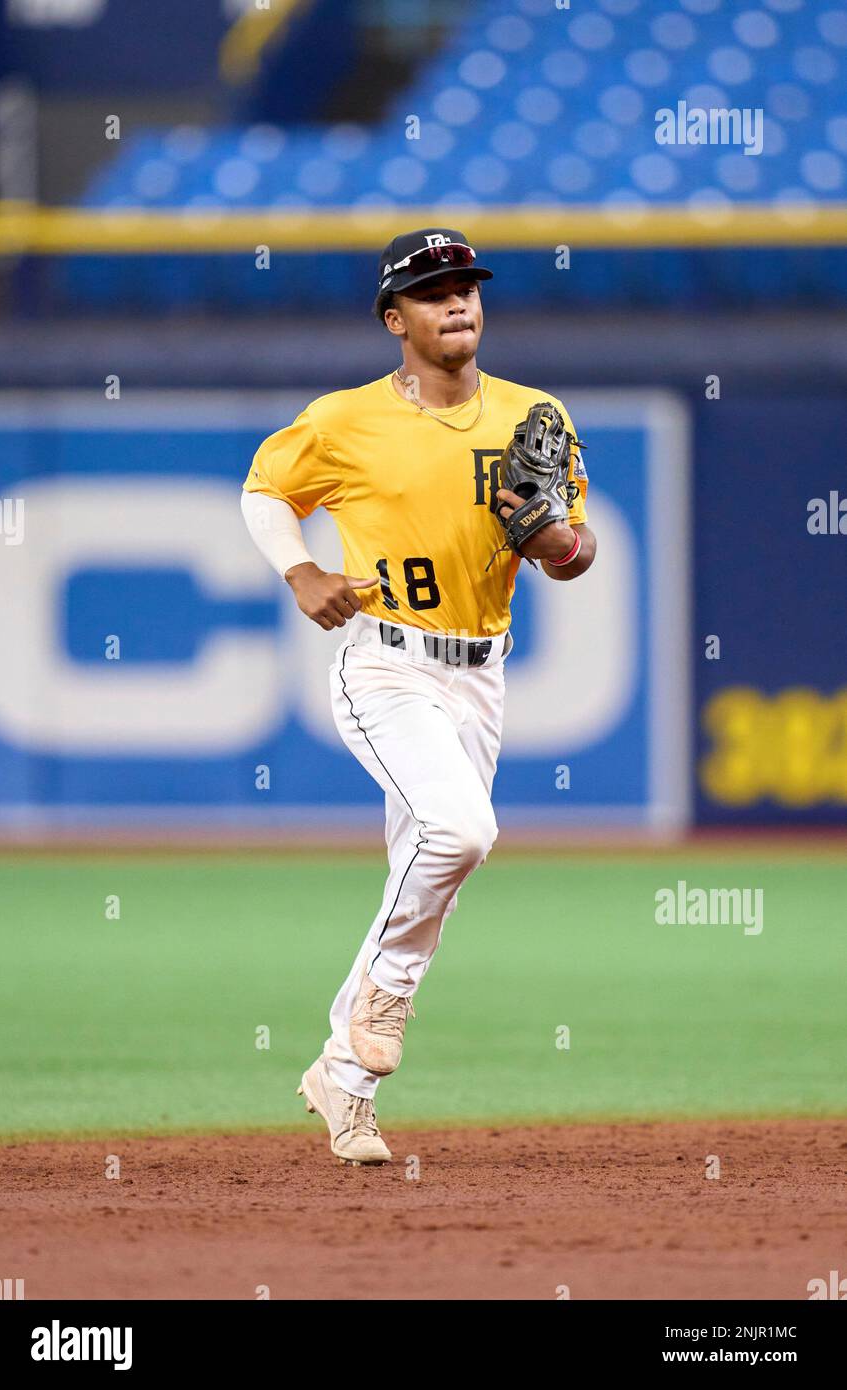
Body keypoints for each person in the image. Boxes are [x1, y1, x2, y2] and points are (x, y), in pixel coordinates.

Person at [241, 227, 596, 1164]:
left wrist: (552, 537)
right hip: (386, 661)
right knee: (462, 832)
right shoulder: (345, 420)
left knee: (430, 870)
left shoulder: (533, 413)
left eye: (468, 286)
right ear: (395, 319)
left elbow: (576, 556)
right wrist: (298, 570)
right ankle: (380, 998)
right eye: (434, 290)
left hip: (483, 675)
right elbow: (264, 492)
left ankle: (341, 1083)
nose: (458, 302)